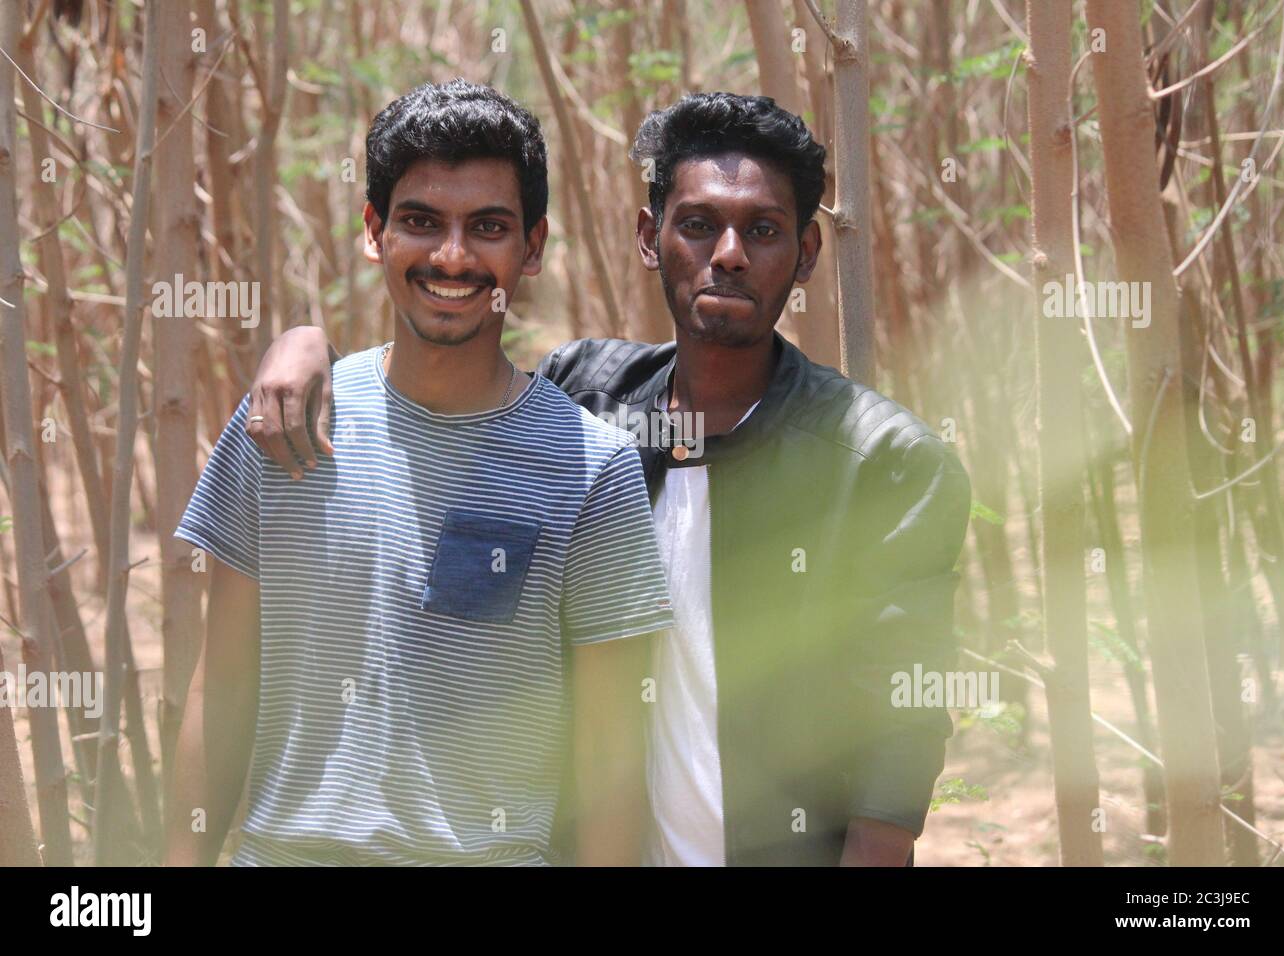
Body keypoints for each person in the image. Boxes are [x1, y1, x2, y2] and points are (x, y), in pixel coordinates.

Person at [248, 92, 973, 866]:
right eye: (697, 224)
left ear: (804, 254)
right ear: (649, 237)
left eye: (761, 230)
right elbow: (444, 383)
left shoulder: (881, 464)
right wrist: (304, 342)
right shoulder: (580, 403)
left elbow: (898, 748)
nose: (728, 253)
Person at [164, 80, 673, 867]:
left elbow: (611, 754)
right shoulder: (281, 425)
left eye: (489, 227)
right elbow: (222, 687)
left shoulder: (591, 468)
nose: (452, 256)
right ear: (375, 232)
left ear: (532, 247)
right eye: (421, 221)